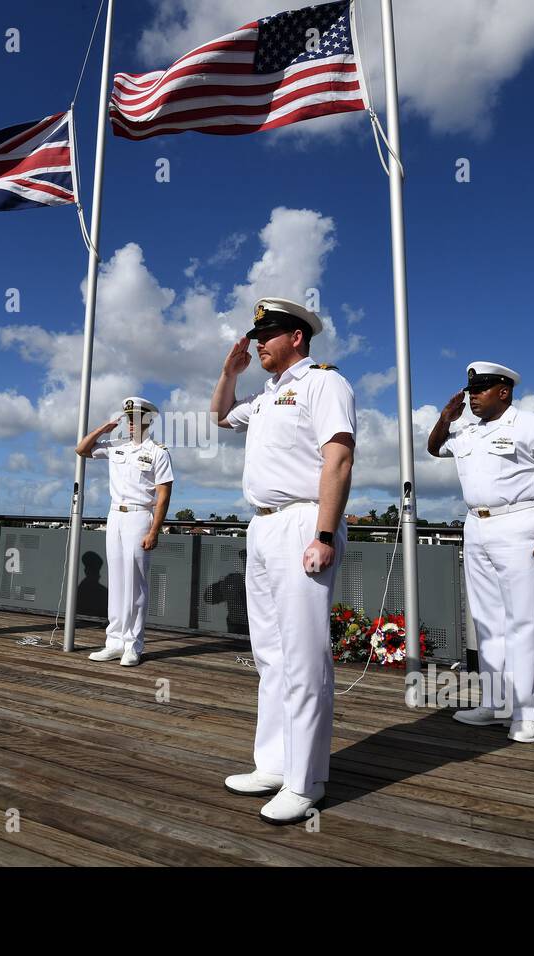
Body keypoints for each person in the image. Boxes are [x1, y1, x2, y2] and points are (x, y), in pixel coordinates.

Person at [211, 297, 356, 825]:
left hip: (303, 521)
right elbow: (222, 417)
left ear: (297, 335)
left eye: (267, 334)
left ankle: (306, 780)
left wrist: (323, 533)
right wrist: (229, 373)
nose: (258, 343)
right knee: (269, 654)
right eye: (256, 336)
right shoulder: (267, 395)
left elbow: (338, 458)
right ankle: (273, 764)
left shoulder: (323, 383)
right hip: (265, 523)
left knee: (302, 655)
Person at [427, 362, 534, 743]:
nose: (472, 395)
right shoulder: (468, 432)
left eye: (480, 389)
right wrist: (446, 417)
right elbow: (433, 448)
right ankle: (494, 704)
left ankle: (526, 713)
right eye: (470, 389)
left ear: (504, 391)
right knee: (487, 621)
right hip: (475, 526)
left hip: (518, 525)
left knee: (521, 622)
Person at [76, 397, 174, 667]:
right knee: (118, 581)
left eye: (136, 419)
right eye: (129, 418)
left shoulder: (158, 452)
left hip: (140, 516)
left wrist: (155, 530)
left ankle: (133, 644)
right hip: (114, 516)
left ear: (148, 421)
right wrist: (101, 430)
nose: (131, 424)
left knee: (136, 584)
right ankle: (114, 642)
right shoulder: (116, 447)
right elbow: (81, 450)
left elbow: (164, 495)